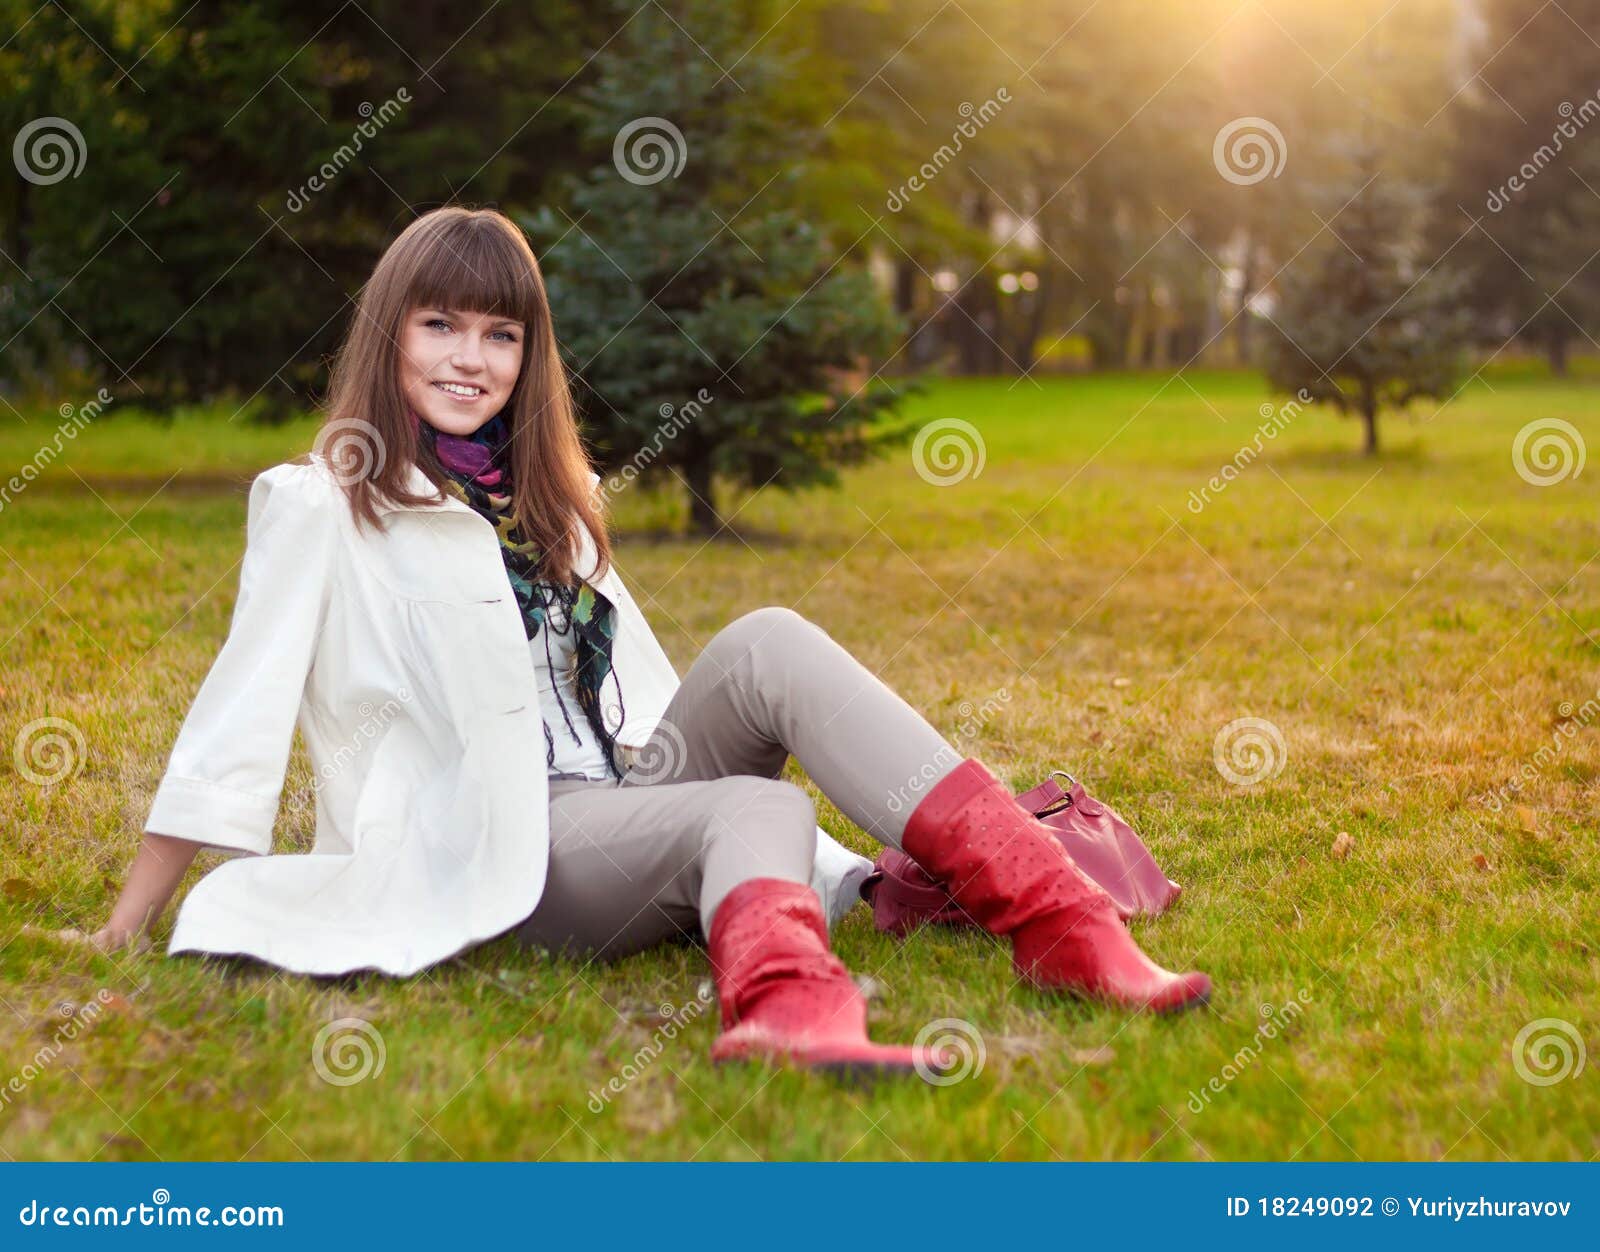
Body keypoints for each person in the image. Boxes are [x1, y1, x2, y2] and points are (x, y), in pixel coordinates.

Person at [67, 207, 1211, 1078]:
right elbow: (239, 711)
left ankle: (1062, 922)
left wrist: (844, 878)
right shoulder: (325, 501)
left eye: (500, 333)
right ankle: (786, 1008)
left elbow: (641, 696)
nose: (470, 357)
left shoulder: (546, 497)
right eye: (439, 324)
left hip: (619, 790)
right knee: (759, 807)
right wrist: (131, 917)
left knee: (768, 639)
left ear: (528, 352)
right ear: (389, 334)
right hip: (509, 844)